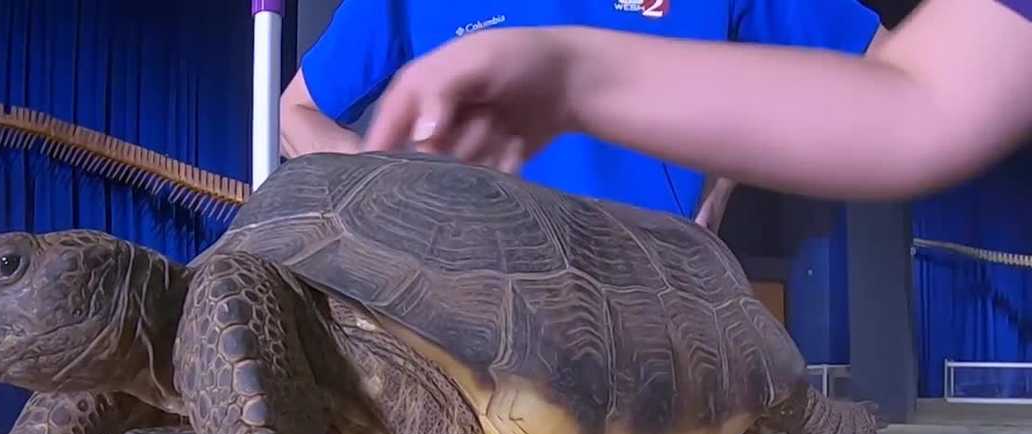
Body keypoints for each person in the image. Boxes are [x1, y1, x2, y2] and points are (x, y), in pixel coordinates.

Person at [283, 1, 889, 231]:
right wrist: (399, 195)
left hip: (653, 305)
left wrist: (726, 179)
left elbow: (882, 67)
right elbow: (294, 113)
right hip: (465, 306)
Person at [362, 0, 1032, 202]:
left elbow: (896, 80)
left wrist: (720, 185)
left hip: (656, 301)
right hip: (460, 288)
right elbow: (918, 100)